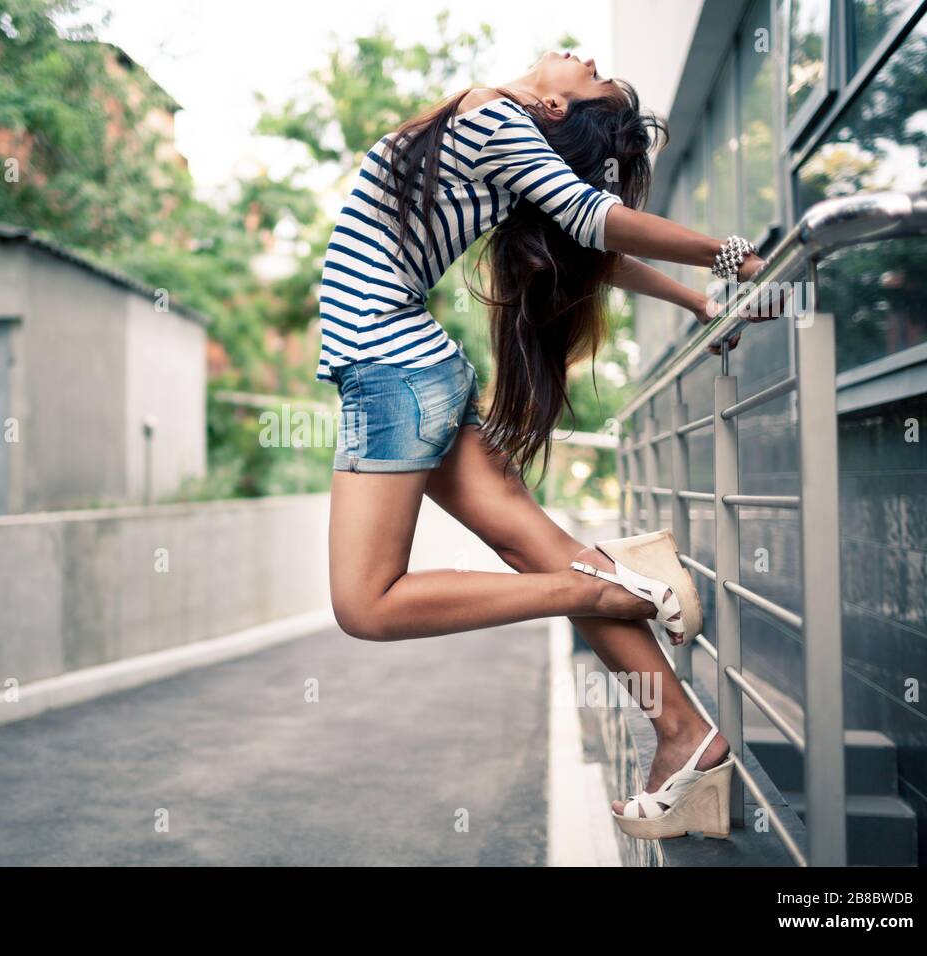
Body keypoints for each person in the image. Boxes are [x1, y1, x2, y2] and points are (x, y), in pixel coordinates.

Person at [316, 50, 768, 839]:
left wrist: (727, 259)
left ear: (557, 111)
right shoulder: (500, 135)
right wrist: (698, 300)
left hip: (388, 369)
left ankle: (601, 584)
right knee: (539, 549)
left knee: (367, 604)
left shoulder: (496, 116)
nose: (588, 58)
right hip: (408, 366)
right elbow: (594, 244)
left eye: (594, 78)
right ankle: (684, 732)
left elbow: (596, 224)